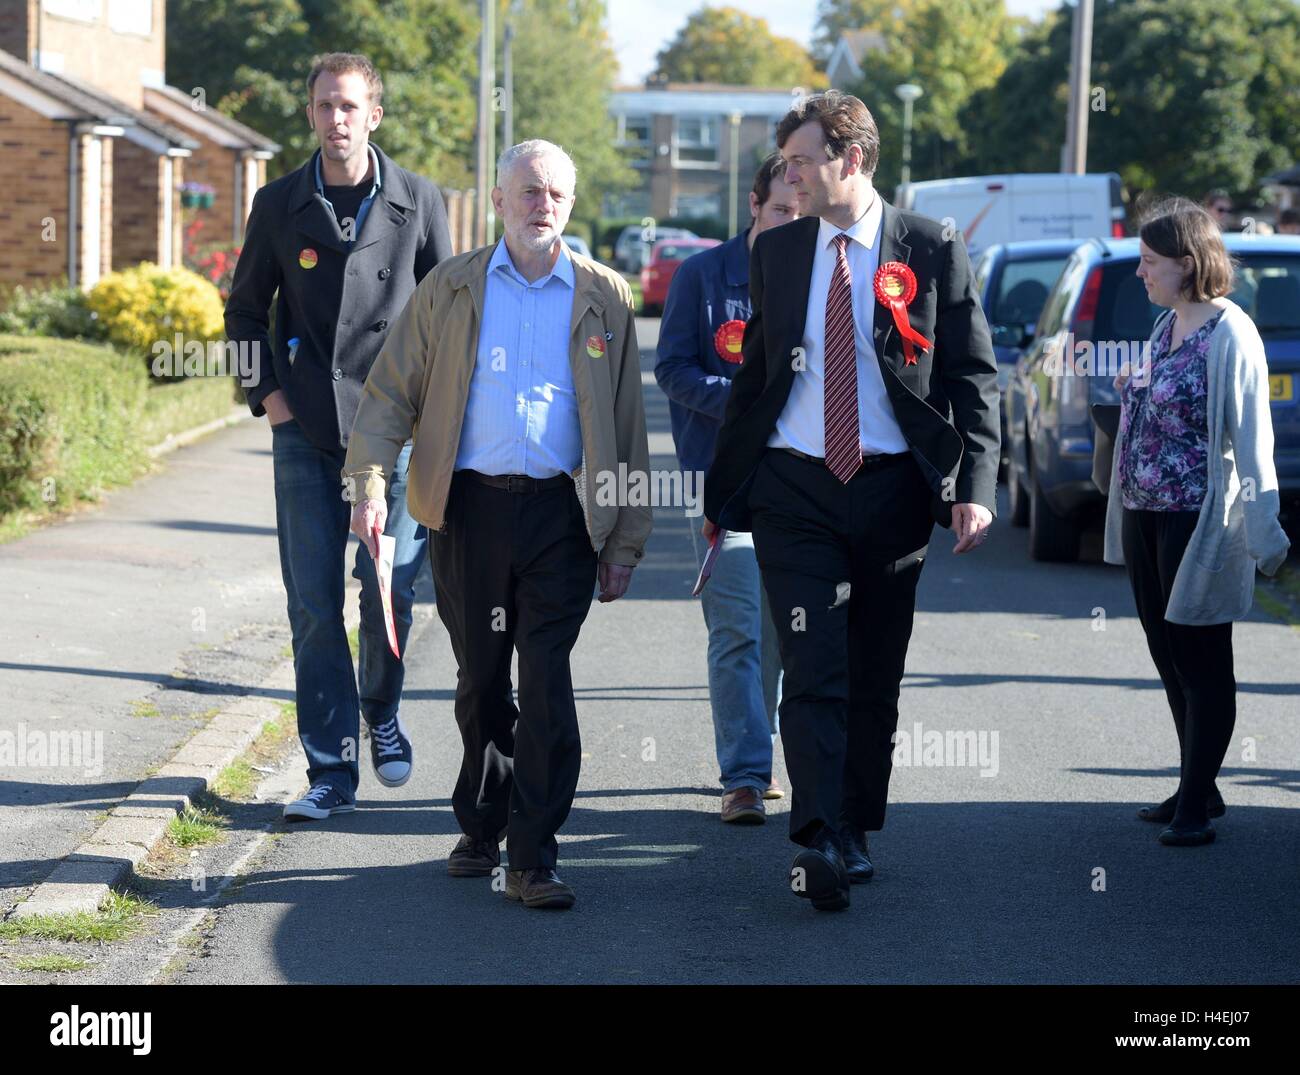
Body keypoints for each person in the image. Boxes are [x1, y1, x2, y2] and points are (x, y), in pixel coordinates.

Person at [704, 91, 1000, 911]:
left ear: (853, 159)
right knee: (811, 662)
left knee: (874, 668)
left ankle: (858, 824)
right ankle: (819, 836)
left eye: (802, 161)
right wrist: (721, 494)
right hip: (795, 484)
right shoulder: (783, 248)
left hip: (893, 488)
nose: (788, 177)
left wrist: (973, 486)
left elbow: (972, 375)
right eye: (787, 164)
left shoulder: (932, 246)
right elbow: (755, 376)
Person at [342, 140, 652, 909]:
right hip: (470, 509)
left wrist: (625, 541)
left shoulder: (603, 295)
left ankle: (535, 853)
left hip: (559, 512)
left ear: (570, 206)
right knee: (483, 680)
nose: (542, 205)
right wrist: (368, 485)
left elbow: (626, 425)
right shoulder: (451, 287)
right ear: (500, 200)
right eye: (528, 191)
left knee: (546, 678)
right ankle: (482, 822)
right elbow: (388, 395)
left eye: (556, 193)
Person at [225, 52, 452, 821]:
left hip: (398, 437)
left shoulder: (419, 200)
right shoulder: (280, 202)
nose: (336, 119)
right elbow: (245, 313)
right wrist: (272, 401)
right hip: (309, 434)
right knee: (313, 604)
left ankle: (380, 710)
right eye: (324, 106)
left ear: (374, 115)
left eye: (350, 106)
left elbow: (447, 318)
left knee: (388, 590)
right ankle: (330, 766)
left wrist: (433, 413)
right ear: (312, 113)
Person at [1104, 198, 1290, 847]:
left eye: (1150, 262)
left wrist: (1266, 530)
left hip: (1198, 519)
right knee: (1166, 651)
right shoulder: (1167, 325)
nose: (1141, 273)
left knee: (1202, 656)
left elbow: (1253, 436)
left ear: (1188, 263)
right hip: (1146, 514)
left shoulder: (1229, 330)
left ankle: (1196, 803)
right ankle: (1197, 783)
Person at [655, 153, 798, 825]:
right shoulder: (702, 275)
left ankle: (760, 749)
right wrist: (751, 401)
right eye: (779, 213)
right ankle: (744, 776)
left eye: (803, 216)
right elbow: (674, 370)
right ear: (753, 203)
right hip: (721, 480)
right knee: (737, 625)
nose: (790, 225)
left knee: (779, 629)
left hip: (804, 482)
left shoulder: (825, 275)